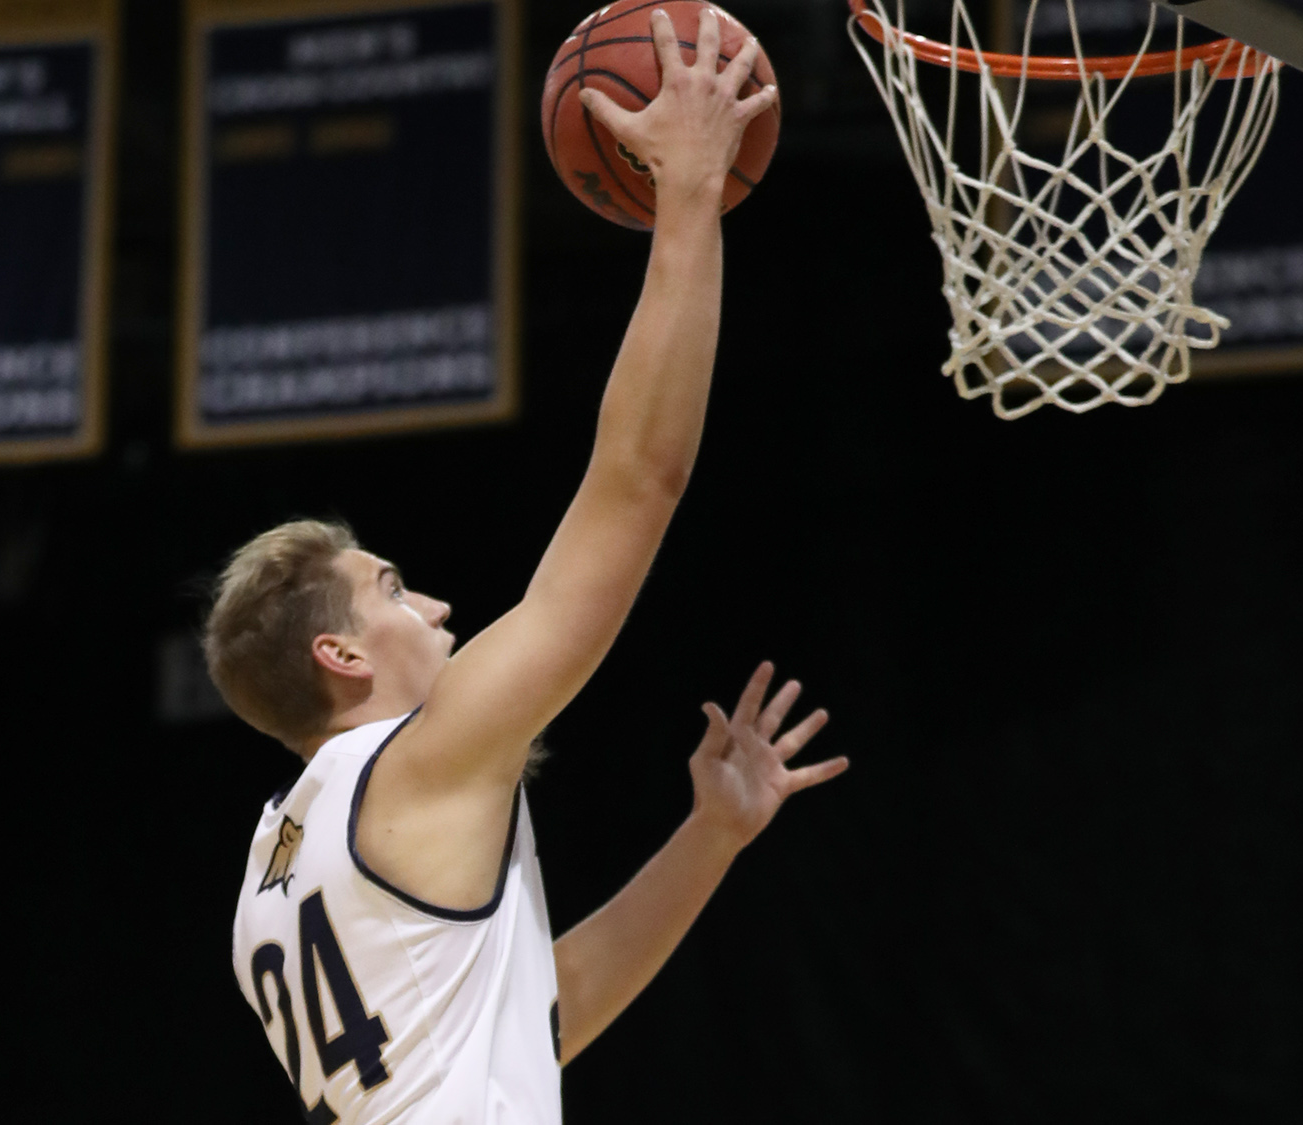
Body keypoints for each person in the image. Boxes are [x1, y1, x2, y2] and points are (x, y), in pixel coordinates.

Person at [207, 11, 845, 1122]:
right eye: (393, 588)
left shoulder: (275, 863)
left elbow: (545, 1019)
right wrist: (686, 193)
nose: (440, 603)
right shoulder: (413, 767)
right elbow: (636, 482)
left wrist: (708, 839)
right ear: (338, 652)